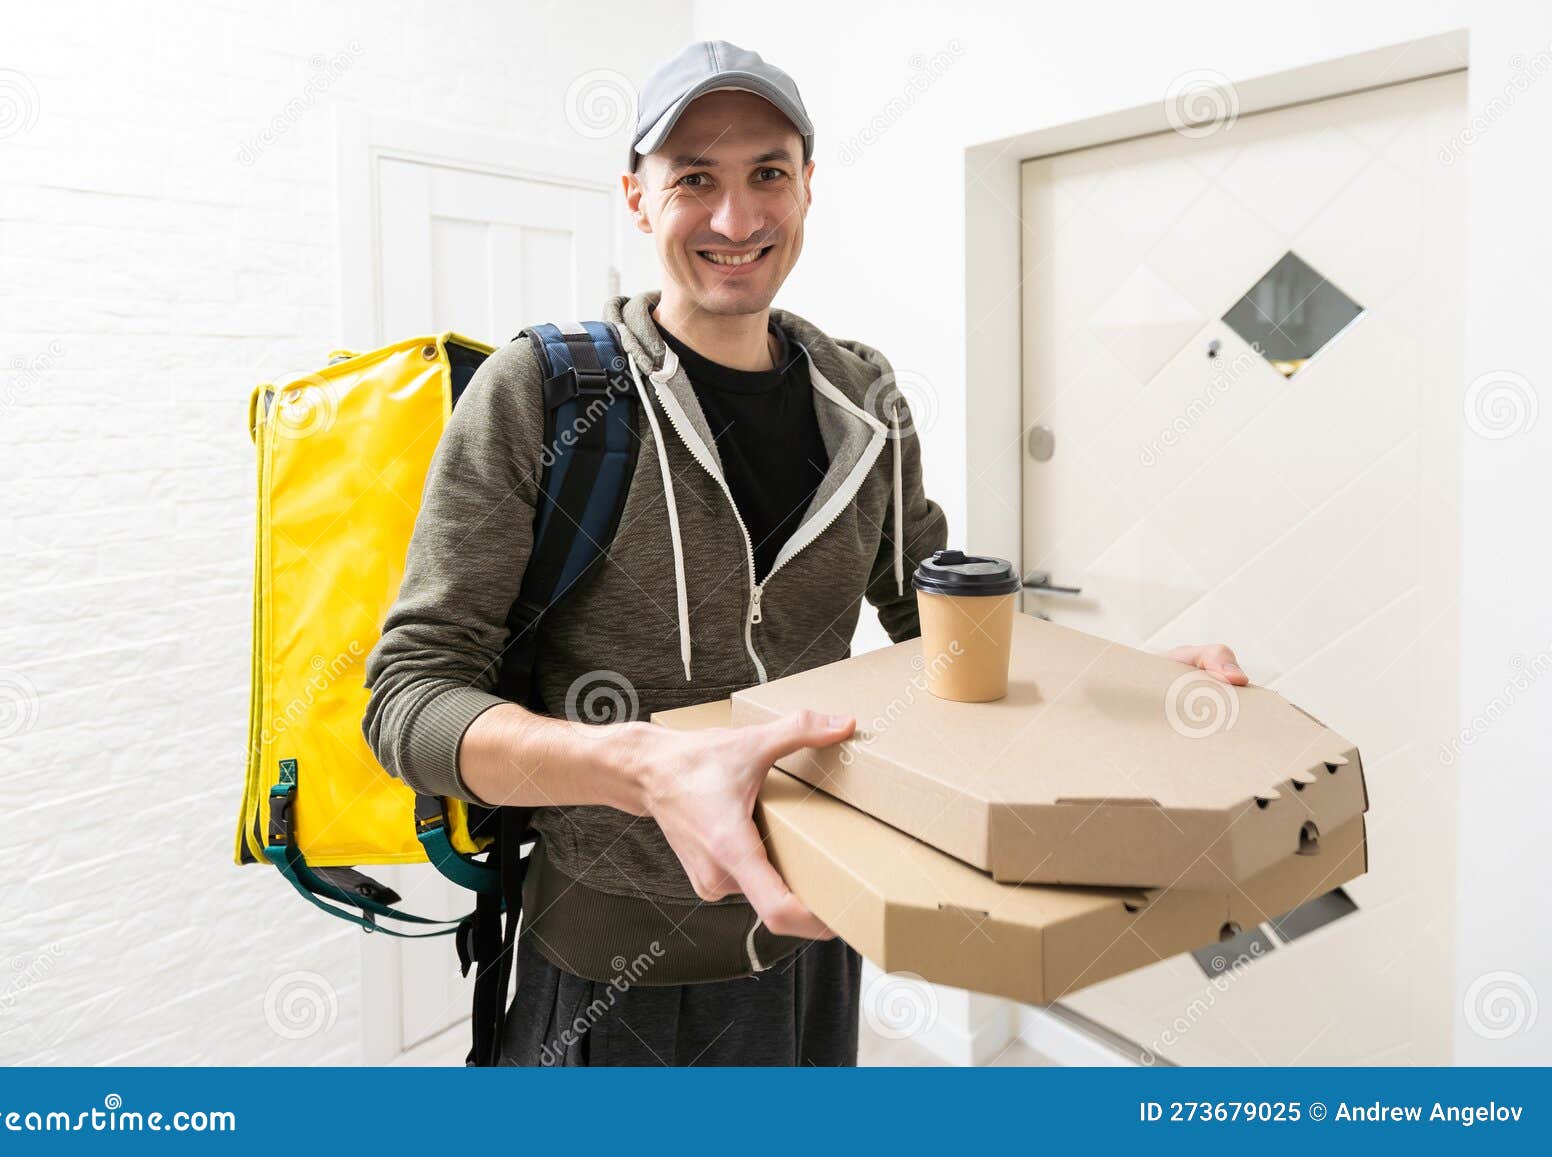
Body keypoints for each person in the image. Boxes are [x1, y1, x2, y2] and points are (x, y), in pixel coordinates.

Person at [362, 40, 1250, 1066]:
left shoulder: (864, 397)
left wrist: (1122, 684)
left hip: (815, 927)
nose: (737, 220)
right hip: (610, 964)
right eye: (694, 178)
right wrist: (640, 763)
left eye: (766, 174)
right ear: (638, 199)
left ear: (807, 187)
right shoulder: (544, 392)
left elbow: (938, 621)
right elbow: (406, 699)